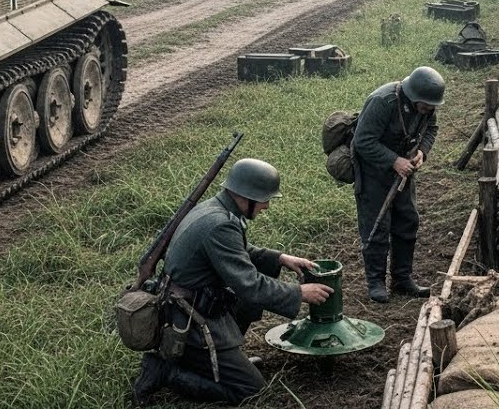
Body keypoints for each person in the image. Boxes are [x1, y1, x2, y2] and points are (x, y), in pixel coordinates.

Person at [134, 158, 333, 406]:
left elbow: (237, 251)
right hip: (190, 323)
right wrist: (299, 293)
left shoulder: (215, 209)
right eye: (264, 199)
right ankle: (167, 372)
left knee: (251, 295)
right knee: (251, 389)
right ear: (246, 196)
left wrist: (281, 259)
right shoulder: (220, 224)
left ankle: (221, 360)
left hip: (194, 304)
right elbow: (250, 284)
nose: (267, 206)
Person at [353, 66, 442, 303]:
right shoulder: (383, 102)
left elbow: (431, 128)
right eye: (425, 107)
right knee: (377, 227)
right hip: (373, 173)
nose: (428, 111)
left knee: (407, 221)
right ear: (413, 97)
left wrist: (422, 151)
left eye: (431, 107)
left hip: (404, 172)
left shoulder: (426, 106)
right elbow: (362, 141)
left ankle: (402, 279)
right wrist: (394, 161)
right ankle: (376, 282)